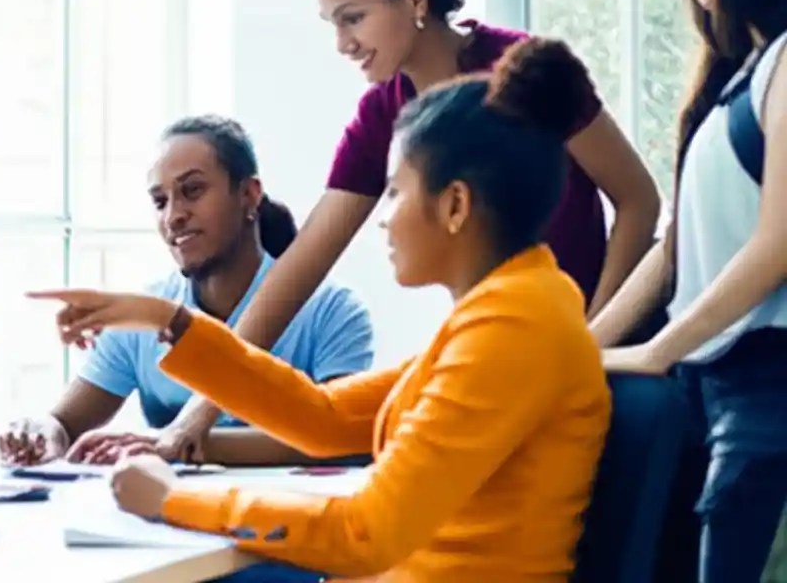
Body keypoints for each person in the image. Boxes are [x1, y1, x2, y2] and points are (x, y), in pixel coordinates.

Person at [32, 38, 611, 581]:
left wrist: (172, 499)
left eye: (394, 192)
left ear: (454, 204)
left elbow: (365, 531)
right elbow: (324, 418)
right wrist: (168, 319)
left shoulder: (513, 328)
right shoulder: (507, 310)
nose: (382, 217)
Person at [150, 0, 659, 461]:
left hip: (590, 356)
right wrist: (195, 416)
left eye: (353, 19)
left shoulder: (524, 70)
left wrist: (593, 341)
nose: (342, 43)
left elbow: (638, 201)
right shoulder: (381, 115)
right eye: (333, 25)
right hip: (504, 362)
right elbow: (299, 269)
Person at [593, 0, 787, 580]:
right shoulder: (743, 72)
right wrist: (578, 350)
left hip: (768, 408)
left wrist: (659, 349)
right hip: (711, 406)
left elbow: (777, 245)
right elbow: (677, 251)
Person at [0, 115, 374, 467]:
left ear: (249, 194)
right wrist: (41, 434)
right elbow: (64, 423)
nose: (173, 216)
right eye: (160, 201)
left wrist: (183, 445)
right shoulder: (139, 319)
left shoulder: (331, 311)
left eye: (192, 191)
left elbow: (344, 441)